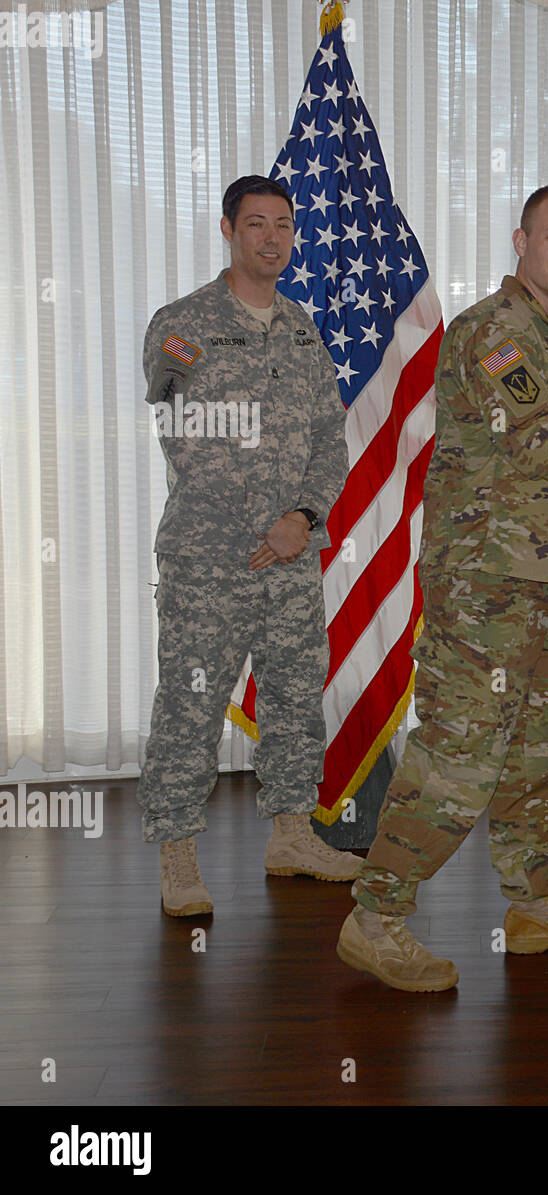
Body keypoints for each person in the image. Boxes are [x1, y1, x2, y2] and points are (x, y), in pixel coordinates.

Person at [337, 186, 548, 992]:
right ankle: (375, 915)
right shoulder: (495, 333)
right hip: (488, 593)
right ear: (520, 239)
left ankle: (535, 906)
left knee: (543, 754)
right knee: (459, 758)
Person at [139, 174, 356, 917]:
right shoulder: (181, 326)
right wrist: (264, 521)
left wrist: (300, 516)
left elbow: (331, 439)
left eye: (283, 225)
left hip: (292, 557)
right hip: (211, 561)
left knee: (296, 699)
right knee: (190, 708)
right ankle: (177, 854)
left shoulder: (301, 329)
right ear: (228, 229)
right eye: (256, 223)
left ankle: (292, 834)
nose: (272, 238)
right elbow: (184, 439)